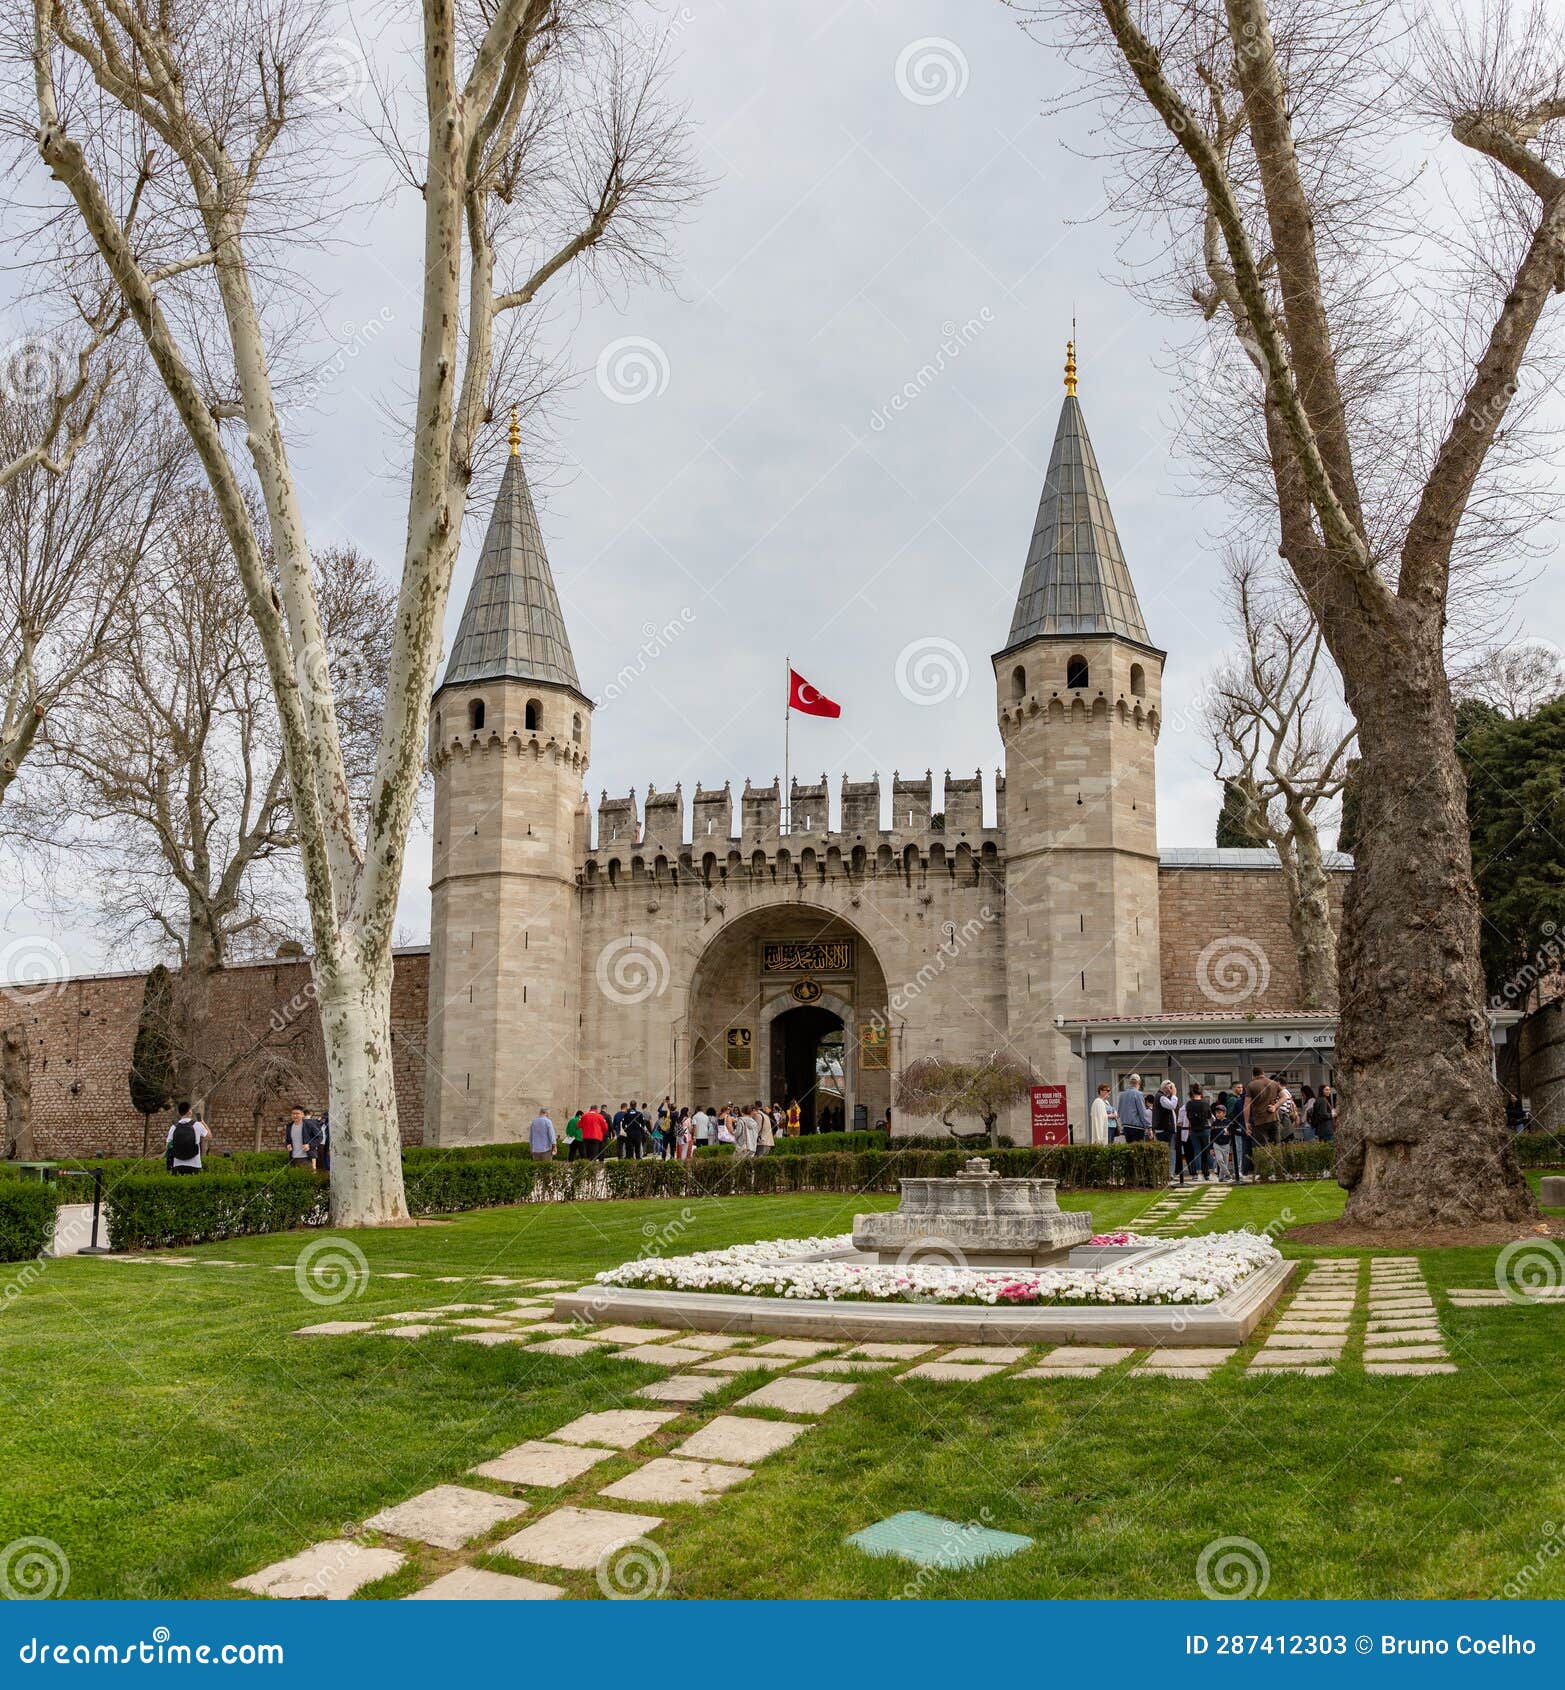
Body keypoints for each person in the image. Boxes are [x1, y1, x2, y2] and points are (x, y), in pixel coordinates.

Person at [166, 1101, 211, 1174]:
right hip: (195, 1164)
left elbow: (168, 1145)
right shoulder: (197, 1125)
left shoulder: (174, 1127)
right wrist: (202, 1122)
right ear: (189, 1111)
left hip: (177, 1164)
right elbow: (209, 1136)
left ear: (179, 1113)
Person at [1245, 1067, 1283, 1153]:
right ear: (1263, 1073)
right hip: (1274, 1118)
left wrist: (1246, 1122)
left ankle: (1265, 1162)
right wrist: (1275, 1106)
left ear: (1253, 1075)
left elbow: (1246, 1105)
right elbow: (1284, 1097)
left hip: (1259, 1120)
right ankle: (1277, 1161)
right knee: (1276, 1146)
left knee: (1262, 1148)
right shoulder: (1274, 1083)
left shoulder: (1251, 1085)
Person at [1185, 1084, 1213, 1181]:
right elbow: (1209, 1116)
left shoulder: (1189, 1104)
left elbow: (1188, 1116)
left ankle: (1199, 1174)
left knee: (1197, 1152)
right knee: (1208, 1151)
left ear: (1192, 1092)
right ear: (1201, 1092)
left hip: (1194, 1130)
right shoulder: (1205, 1103)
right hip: (1205, 1128)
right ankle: (1211, 1173)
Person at [1117, 1075, 1150, 1143]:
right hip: (1137, 1127)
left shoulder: (1122, 1095)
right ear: (1139, 1082)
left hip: (1126, 1127)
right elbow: (1142, 1112)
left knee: (1130, 1148)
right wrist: (1149, 1127)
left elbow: (1119, 1112)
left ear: (1130, 1082)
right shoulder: (1138, 1094)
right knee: (1138, 1148)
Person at [1210, 1102, 1236, 1182]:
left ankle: (1221, 1177)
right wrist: (1211, 1148)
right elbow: (1212, 1136)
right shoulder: (1214, 1123)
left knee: (1225, 1162)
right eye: (1216, 1113)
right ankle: (1228, 1174)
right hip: (1217, 1144)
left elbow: (1233, 1132)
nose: (1217, 1114)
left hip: (1226, 1145)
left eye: (1219, 1112)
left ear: (1224, 1113)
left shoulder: (1228, 1122)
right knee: (1219, 1160)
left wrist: (1230, 1133)